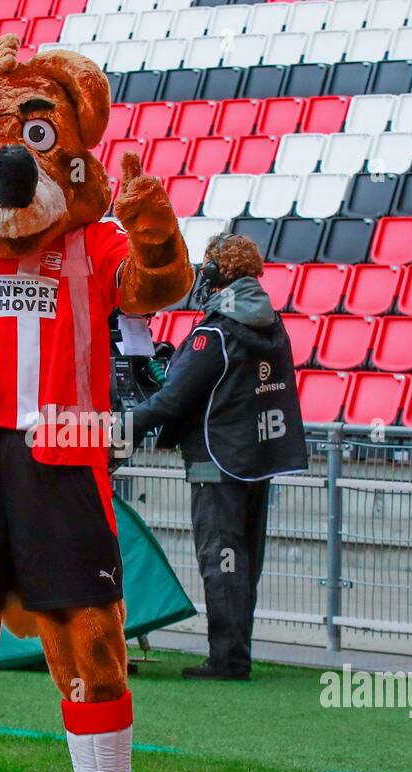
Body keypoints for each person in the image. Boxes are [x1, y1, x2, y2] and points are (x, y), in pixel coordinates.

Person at [128, 234, 307, 680]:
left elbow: (172, 401)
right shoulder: (272, 324)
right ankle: (236, 653)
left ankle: (226, 660)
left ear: (215, 274)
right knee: (244, 559)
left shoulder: (214, 333)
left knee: (220, 560)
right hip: (260, 459)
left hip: (217, 461)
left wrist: (122, 427)